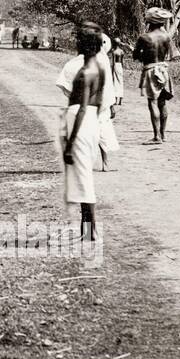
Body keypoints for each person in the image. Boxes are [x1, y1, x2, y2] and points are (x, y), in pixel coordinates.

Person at [55, 26, 120, 171]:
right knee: (102, 131)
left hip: (80, 106)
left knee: (83, 135)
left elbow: (65, 86)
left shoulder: (76, 63)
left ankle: (84, 162)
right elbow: (108, 88)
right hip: (97, 105)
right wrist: (111, 105)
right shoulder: (102, 63)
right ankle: (105, 163)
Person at [62, 27, 105, 242]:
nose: (76, 44)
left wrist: (69, 143)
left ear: (86, 45)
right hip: (91, 121)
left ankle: (91, 230)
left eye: (79, 41)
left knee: (84, 177)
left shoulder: (86, 72)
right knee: (82, 174)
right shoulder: (99, 68)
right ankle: (86, 229)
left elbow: (81, 107)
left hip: (81, 121)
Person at [133, 7, 175, 143]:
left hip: (151, 70)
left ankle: (157, 136)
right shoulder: (167, 37)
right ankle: (163, 134)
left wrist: (144, 55)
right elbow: (169, 54)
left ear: (149, 22)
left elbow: (135, 55)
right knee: (162, 102)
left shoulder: (144, 37)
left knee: (152, 102)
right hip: (163, 69)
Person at [110, 39, 126, 107]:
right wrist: (122, 69)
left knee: (115, 82)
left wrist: (112, 71)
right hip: (120, 67)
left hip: (116, 66)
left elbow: (113, 63)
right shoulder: (122, 51)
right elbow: (122, 62)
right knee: (120, 82)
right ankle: (120, 101)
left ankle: (116, 100)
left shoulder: (114, 52)